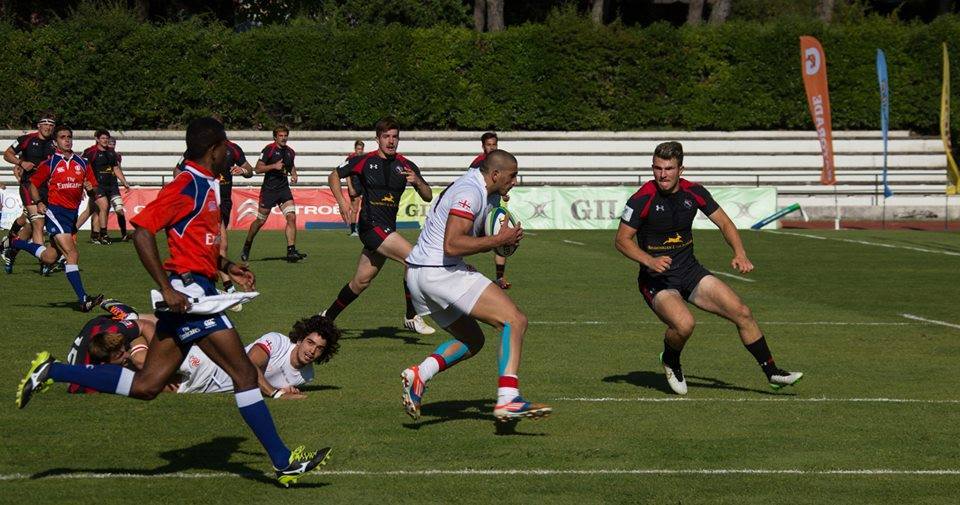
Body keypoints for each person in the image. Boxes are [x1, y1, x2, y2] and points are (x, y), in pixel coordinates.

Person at [15, 118, 331, 487]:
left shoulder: (207, 185)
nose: (231, 151)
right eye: (226, 145)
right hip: (192, 298)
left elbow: (195, 246)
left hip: (195, 292)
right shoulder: (189, 184)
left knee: (148, 386)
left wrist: (228, 266)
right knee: (244, 374)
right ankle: (283, 461)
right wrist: (167, 287)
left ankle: (53, 371)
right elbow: (142, 230)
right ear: (214, 149)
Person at [614, 141, 803, 395]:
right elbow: (621, 240)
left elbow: (725, 223)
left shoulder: (695, 192)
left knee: (742, 312)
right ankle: (670, 359)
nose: (662, 174)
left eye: (669, 168)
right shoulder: (641, 199)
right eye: (657, 168)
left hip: (690, 272)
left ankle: (772, 373)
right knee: (684, 325)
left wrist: (739, 252)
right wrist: (649, 261)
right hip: (657, 280)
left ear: (681, 169)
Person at [401, 149, 551, 423]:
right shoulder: (470, 192)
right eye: (512, 175)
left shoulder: (481, 189)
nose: (515, 181)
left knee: (472, 340)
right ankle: (508, 399)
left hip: (419, 275)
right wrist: (497, 241)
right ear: (495, 174)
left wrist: (504, 240)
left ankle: (419, 374)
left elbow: (476, 234)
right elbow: (453, 244)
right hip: (439, 272)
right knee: (514, 320)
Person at [323, 117, 435, 335]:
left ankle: (326, 318)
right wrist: (342, 201)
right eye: (386, 137)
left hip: (387, 231)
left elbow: (428, 196)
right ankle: (412, 316)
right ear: (378, 139)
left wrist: (418, 181)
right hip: (370, 226)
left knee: (360, 282)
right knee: (414, 259)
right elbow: (334, 175)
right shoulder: (364, 160)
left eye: (395, 137)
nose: (391, 141)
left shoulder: (406, 165)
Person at [3, 125, 104, 311]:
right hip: (55, 212)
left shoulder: (82, 163)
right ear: (56, 142)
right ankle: (83, 300)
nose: (67, 140)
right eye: (63, 137)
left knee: (50, 257)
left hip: (71, 215)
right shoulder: (50, 163)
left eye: (69, 137)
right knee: (72, 254)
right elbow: (33, 183)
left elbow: (94, 190)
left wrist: (91, 189)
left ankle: (15, 243)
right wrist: (39, 201)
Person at [174, 314, 340, 397]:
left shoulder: (307, 376)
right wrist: (276, 393)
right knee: (153, 366)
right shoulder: (276, 341)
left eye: (319, 349)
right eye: (310, 343)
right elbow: (250, 366)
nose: (312, 351)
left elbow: (260, 386)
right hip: (208, 363)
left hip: (212, 388)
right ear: (300, 340)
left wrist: (285, 389)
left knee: (154, 387)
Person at [240, 126, 305, 263]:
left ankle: (291, 250)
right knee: (260, 221)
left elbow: (291, 165)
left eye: (285, 135)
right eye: (281, 136)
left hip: (283, 190)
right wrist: (273, 166)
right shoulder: (268, 150)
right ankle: (247, 244)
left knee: (291, 217)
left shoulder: (290, 152)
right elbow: (257, 169)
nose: (283, 138)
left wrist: (294, 174)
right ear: (275, 137)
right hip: (269, 191)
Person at [2, 113, 57, 273]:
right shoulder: (26, 139)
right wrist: (21, 162)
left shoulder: (54, 143)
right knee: (39, 223)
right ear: (39, 125)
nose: (48, 127)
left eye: (51, 125)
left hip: (48, 189)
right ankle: (44, 262)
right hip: (29, 185)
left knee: (31, 226)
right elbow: (7, 154)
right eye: (45, 124)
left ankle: (12, 249)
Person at [65, 299, 158, 393]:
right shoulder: (86, 386)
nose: (126, 355)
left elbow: (146, 325)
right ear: (103, 364)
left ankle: (113, 306)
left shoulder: (113, 331)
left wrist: (159, 354)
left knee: (132, 317)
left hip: (101, 326)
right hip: (93, 338)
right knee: (140, 361)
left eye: (123, 352)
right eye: (120, 355)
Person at [470, 132, 512, 290]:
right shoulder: (477, 164)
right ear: (483, 146)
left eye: (494, 144)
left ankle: (500, 277)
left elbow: (504, 181)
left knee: (502, 237)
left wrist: (504, 191)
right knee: (469, 240)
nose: (492, 147)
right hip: (480, 207)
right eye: (489, 145)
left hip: (494, 207)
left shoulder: (501, 162)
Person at [82, 129, 130, 244]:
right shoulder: (90, 152)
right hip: (97, 186)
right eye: (103, 138)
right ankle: (103, 234)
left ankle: (99, 235)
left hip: (111, 186)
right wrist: (84, 183)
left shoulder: (111, 153)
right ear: (97, 139)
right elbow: (82, 168)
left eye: (106, 138)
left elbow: (116, 168)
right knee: (101, 207)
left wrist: (124, 181)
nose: (105, 140)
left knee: (105, 210)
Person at [344, 140, 365, 237]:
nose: (359, 151)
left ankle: (363, 228)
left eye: (361, 149)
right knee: (355, 209)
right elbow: (347, 175)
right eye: (358, 149)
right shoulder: (350, 159)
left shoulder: (365, 158)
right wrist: (350, 187)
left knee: (366, 208)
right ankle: (353, 230)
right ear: (355, 149)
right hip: (354, 184)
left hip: (363, 185)